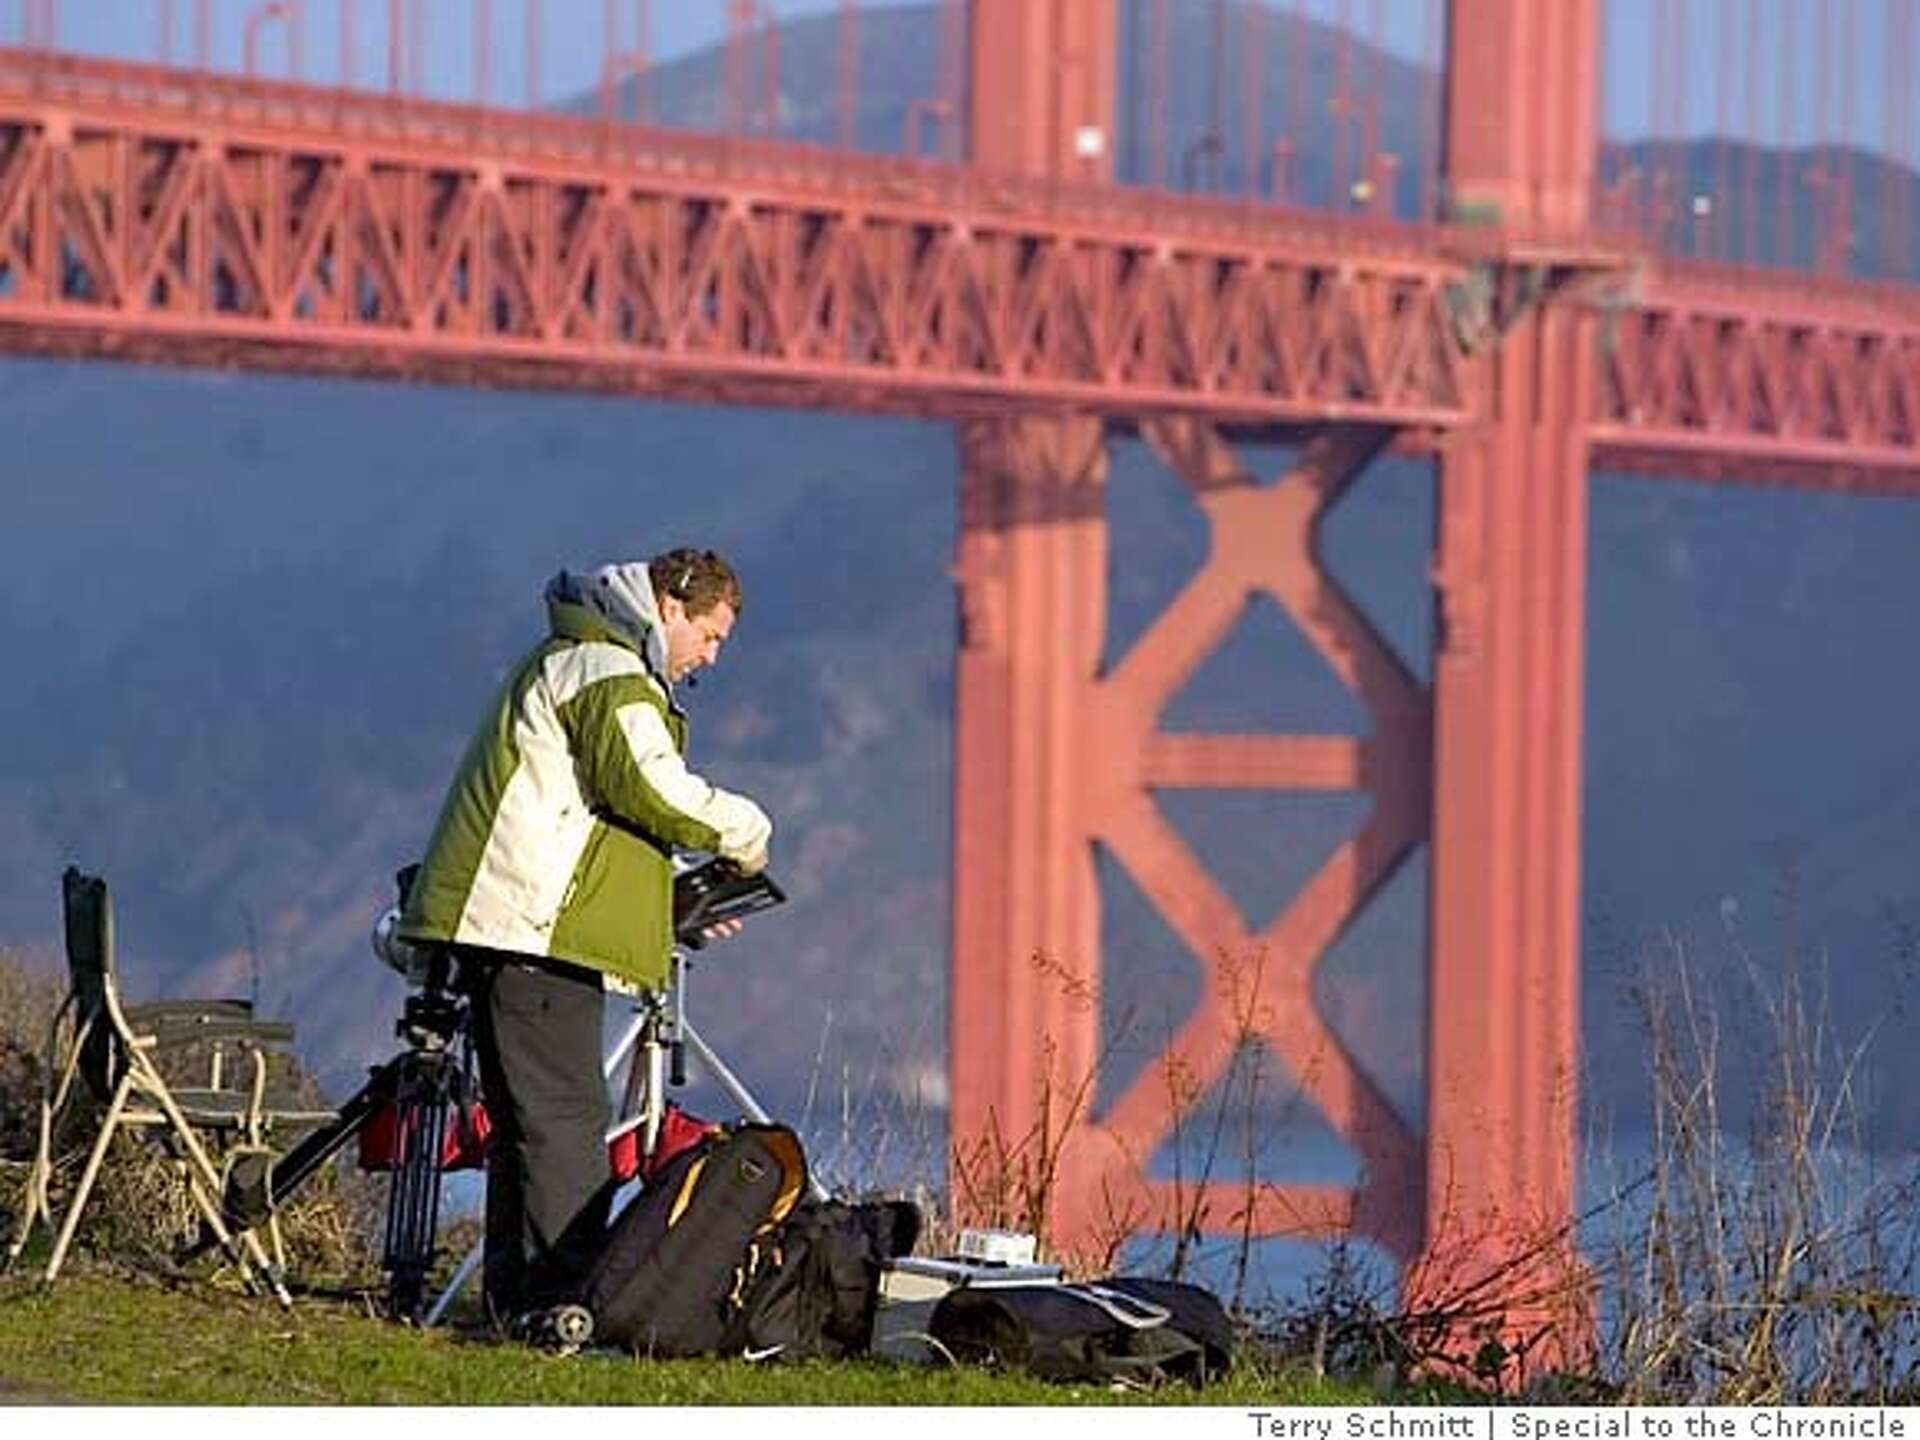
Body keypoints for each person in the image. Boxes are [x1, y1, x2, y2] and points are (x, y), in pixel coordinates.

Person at [395, 547, 771, 1331]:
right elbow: (650, 786)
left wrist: (663, 903)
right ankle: (559, 1308)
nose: (712, 657)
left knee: (532, 1130)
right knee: (567, 1128)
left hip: (518, 929)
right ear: (669, 605)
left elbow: (585, 830)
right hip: (533, 936)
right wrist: (746, 832)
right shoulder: (605, 669)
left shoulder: (578, 658)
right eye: (711, 635)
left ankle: (518, 1307)